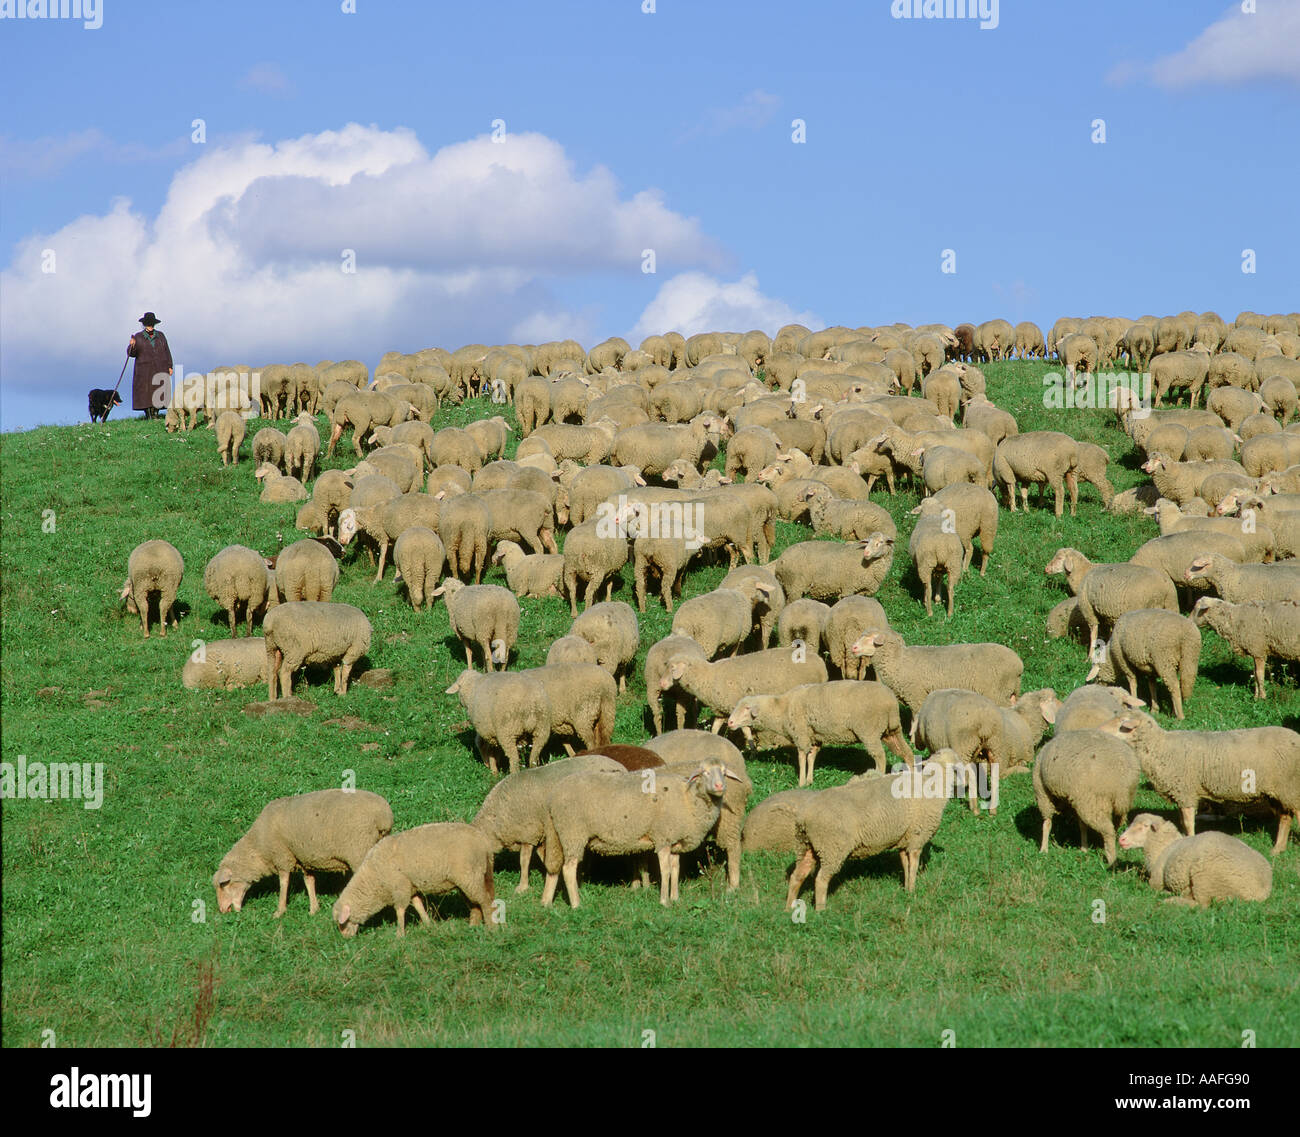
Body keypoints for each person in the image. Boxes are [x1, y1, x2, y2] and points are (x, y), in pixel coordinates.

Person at [127, 311, 173, 420]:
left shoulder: (161, 336)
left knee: (159, 390)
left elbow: (167, 351)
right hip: (144, 370)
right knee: (145, 392)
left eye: (151, 324)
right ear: (144, 324)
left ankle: (155, 413)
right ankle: (148, 414)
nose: (150, 326)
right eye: (148, 324)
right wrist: (132, 345)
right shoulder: (138, 337)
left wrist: (170, 366)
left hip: (160, 367)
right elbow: (131, 354)